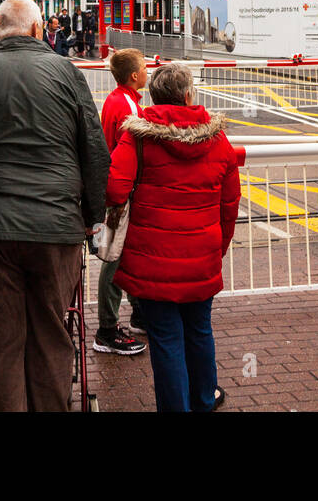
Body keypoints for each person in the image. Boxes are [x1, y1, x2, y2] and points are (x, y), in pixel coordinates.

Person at [0, 0, 109, 411]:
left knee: (1, 342)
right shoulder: (68, 72)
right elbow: (94, 149)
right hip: (56, 226)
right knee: (51, 334)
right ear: (35, 29)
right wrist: (91, 219)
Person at [105, 62, 240, 412]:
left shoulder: (138, 136)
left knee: (166, 338)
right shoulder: (217, 137)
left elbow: (115, 188)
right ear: (188, 95)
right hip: (202, 255)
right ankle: (203, 398)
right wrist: (218, 247)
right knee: (199, 330)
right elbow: (230, 201)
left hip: (153, 259)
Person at [92, 48, 149, 356]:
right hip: (121, 193)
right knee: (114, 257)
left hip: (120, 189)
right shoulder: (126, 105)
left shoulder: (119, 100)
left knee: (126, 253)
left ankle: (138, 314)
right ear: (133, 76)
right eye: (144, 67)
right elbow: (128, 151)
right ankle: (107, 329)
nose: (148, 71)